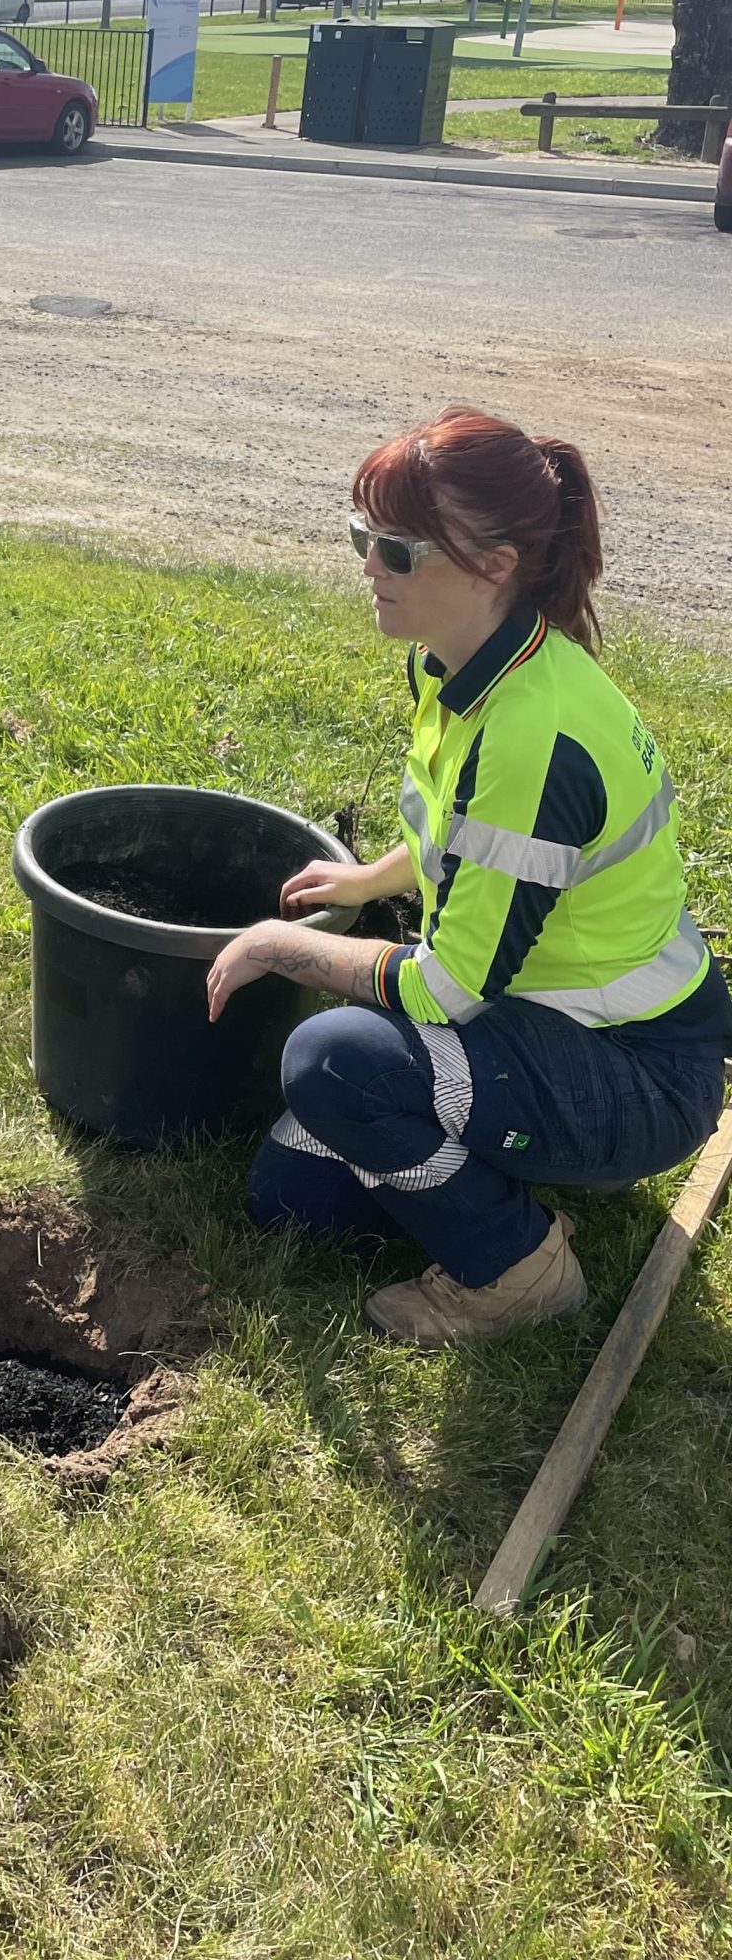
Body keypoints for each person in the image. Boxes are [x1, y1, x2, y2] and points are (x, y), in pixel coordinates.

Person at [208, 406, 730, 1347]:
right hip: (547, 1022)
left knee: (333, 1064)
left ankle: (519, 1272)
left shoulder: (536, 737)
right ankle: (512, 1152)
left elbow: (448, 985)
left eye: (398, 550)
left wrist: (285, 949)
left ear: (493, 565)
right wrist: (370, 881)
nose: (367, 566)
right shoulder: (460, 666)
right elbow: (467, 838)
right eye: (360, 536)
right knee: (293, 1202)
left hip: (636, 1072)